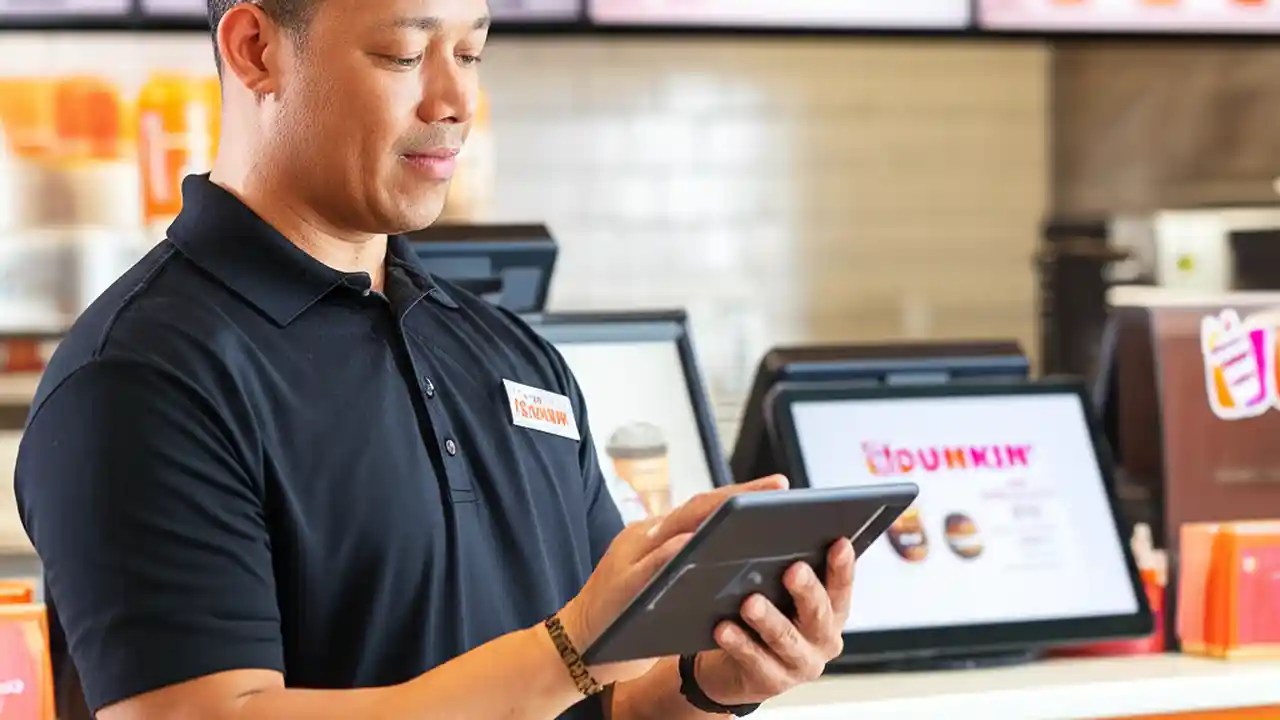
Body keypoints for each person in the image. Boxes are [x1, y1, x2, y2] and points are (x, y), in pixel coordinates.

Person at [14, 1, 856, 719]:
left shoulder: (511, 355)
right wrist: (565, 651)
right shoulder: (137, 379)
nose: (455, 100)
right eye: (405, 54)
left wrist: (712, 680)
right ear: (256, 50)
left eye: (470, 51)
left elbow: (608, 696)